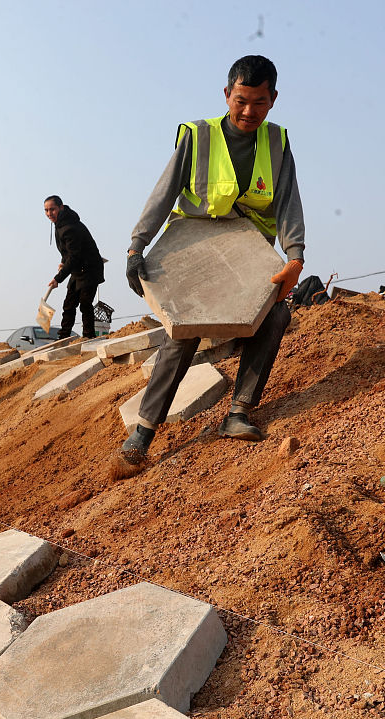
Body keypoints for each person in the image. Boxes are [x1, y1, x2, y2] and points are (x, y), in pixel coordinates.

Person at [116, 55, 306, 471]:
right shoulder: (198, 136)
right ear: (227, 95)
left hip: (248, 249)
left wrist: (295, 257)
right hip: (193, 245)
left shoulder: (277, 143)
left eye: (259, 102)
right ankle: (143, 433)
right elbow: (164, 193)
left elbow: (289, 201)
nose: (248, 111)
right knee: (184, 331)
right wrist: (137, 246)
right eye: (241, 100)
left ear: (273, 99)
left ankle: (238, 411)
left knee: (275, 315)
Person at [44, 195, 105, 339]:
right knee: (69, 304)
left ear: (61, 207)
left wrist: (58, 278)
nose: (49, 213)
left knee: (85, 303)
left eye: (52, 209)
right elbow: (69, 252)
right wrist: (64, 262)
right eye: (46, 210)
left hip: (90, 269)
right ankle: (63, 337)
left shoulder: (69, 227)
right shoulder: (59, 225)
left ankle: (88, 337)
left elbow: (75, 256)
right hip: (77, 268)